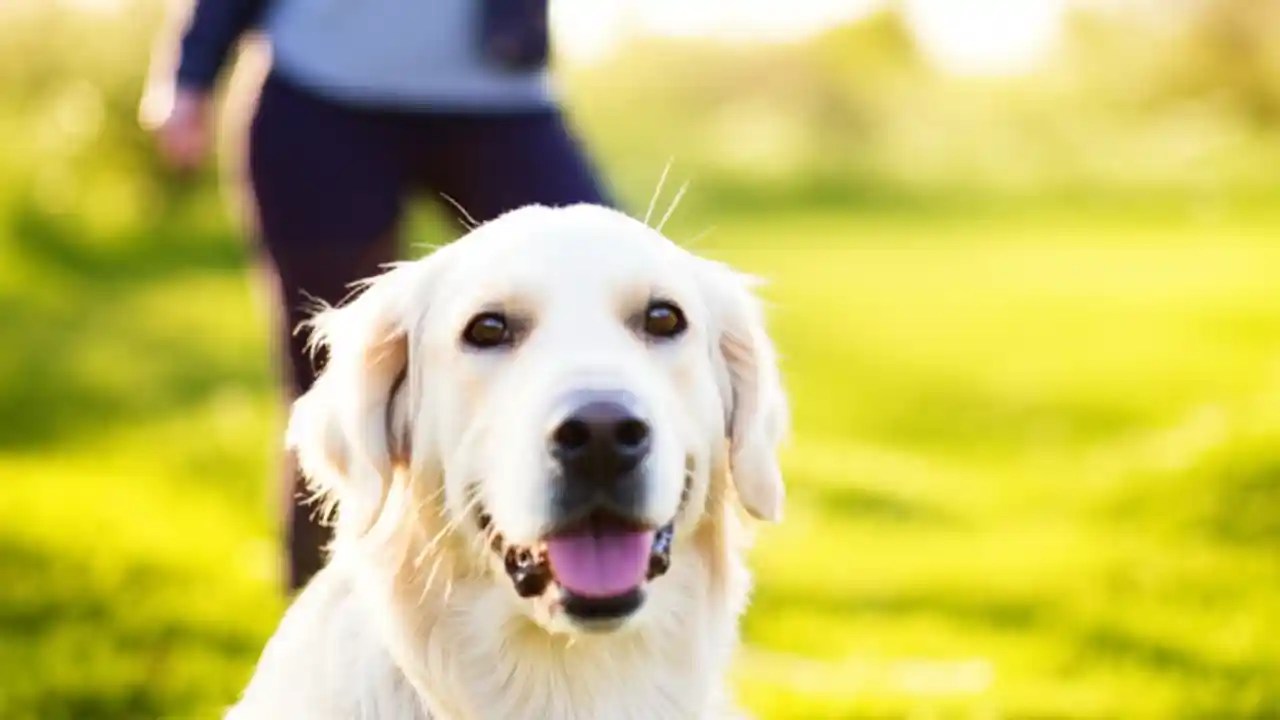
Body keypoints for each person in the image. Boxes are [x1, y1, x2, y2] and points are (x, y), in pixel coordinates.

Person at [142, 0, 612, 593]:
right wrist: (189, 73)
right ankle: (323, 606)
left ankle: (615, 568)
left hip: (500, 96)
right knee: (330, 375)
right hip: (322, 90)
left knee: (605, 312)